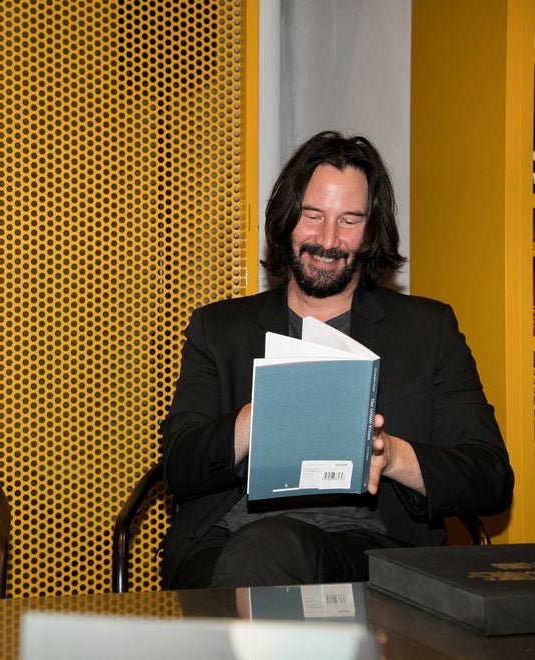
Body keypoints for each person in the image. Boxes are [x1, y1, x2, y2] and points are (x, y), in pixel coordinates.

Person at [160, 130, 514, 589]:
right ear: (287, 219)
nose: (327, 239)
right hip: (224, 541)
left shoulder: (427, 330)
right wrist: (251, 421)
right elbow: (179, 466)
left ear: (371, 233)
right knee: (256, 553)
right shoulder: (219, 328)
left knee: (267, 550)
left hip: (368, 550)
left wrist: (391, 457)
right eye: (312, 216)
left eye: (350, 220)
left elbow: (489, 477)